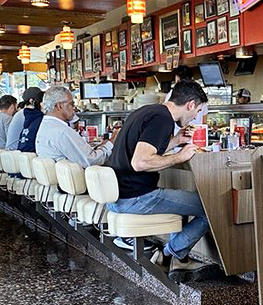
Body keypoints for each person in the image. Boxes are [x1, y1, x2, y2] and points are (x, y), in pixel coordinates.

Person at [109, 80, 209, 271]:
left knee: (183, 200)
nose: (195, 117)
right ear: (190, 104)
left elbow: (147, 148)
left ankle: (175, 256)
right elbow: (140, 162)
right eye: (197, 112)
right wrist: (179, 157)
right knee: (211, 206)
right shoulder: (162, 119)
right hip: (135, 197)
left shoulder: (149, 111)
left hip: (119, 194)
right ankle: (172, 254)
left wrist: (176, 141)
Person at [35, 86, 115, 168]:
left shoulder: (46, 126)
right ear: (59, 106)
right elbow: (91, 161)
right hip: (74, 179)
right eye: (71, 104)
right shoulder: (62, 131)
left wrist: (101, 146)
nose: (74, 108)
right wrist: (111, 143)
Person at [6, 87, 43, 152]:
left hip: (12, 152)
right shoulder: (29, 114)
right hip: (17, 152)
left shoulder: (22, 113)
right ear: (32, 101)